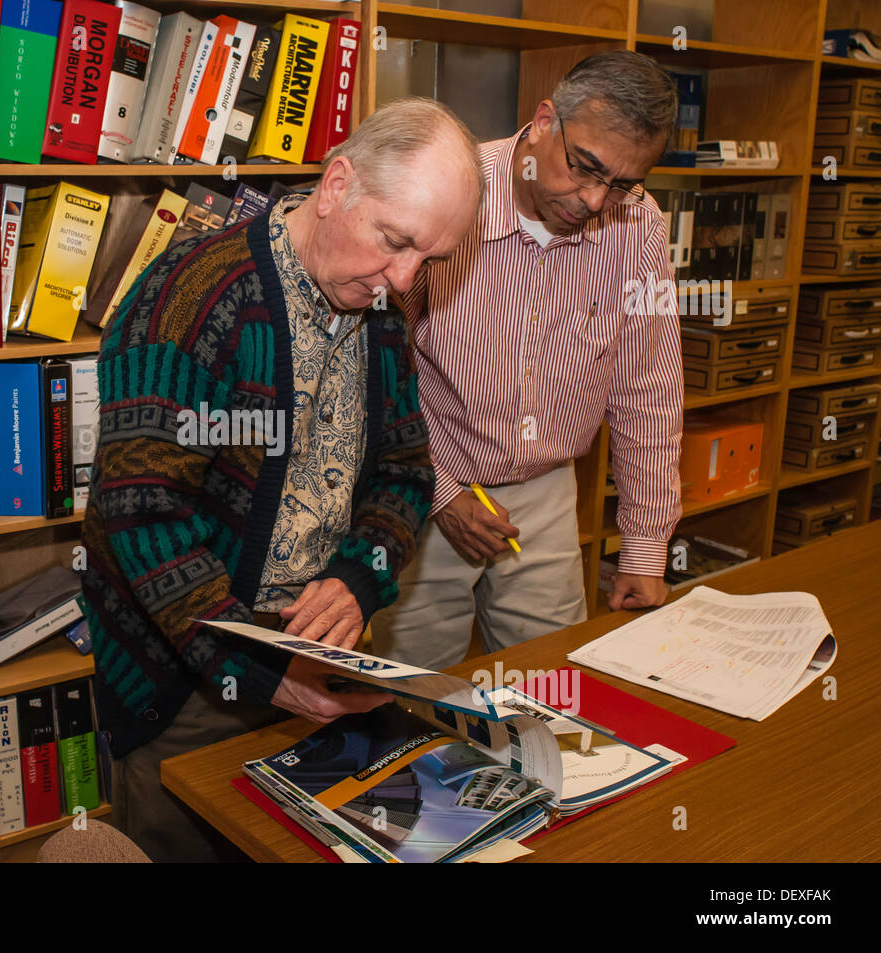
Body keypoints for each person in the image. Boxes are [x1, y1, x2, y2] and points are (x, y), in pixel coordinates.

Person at [79, 98, 484, 862]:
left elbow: (405, 471)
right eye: (395, 242)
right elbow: (139, 514)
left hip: (323, 660)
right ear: (336, 186)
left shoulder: (378, 306)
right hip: (187, 685)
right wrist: (264, 671)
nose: (401, 279)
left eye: (428, 260)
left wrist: (359, 579)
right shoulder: (190, 298)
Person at [373, 51, 685, 673]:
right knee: (408, 700)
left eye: (622, 183)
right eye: (586, 167)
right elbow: (375, 368)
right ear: (545, 121)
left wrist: (646, 550)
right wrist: (437, 490)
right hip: (425, 487)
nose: (597, 200)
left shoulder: (640, 225)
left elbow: (648, 387)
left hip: (546, 493)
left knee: (551, 695)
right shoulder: (450, 191)